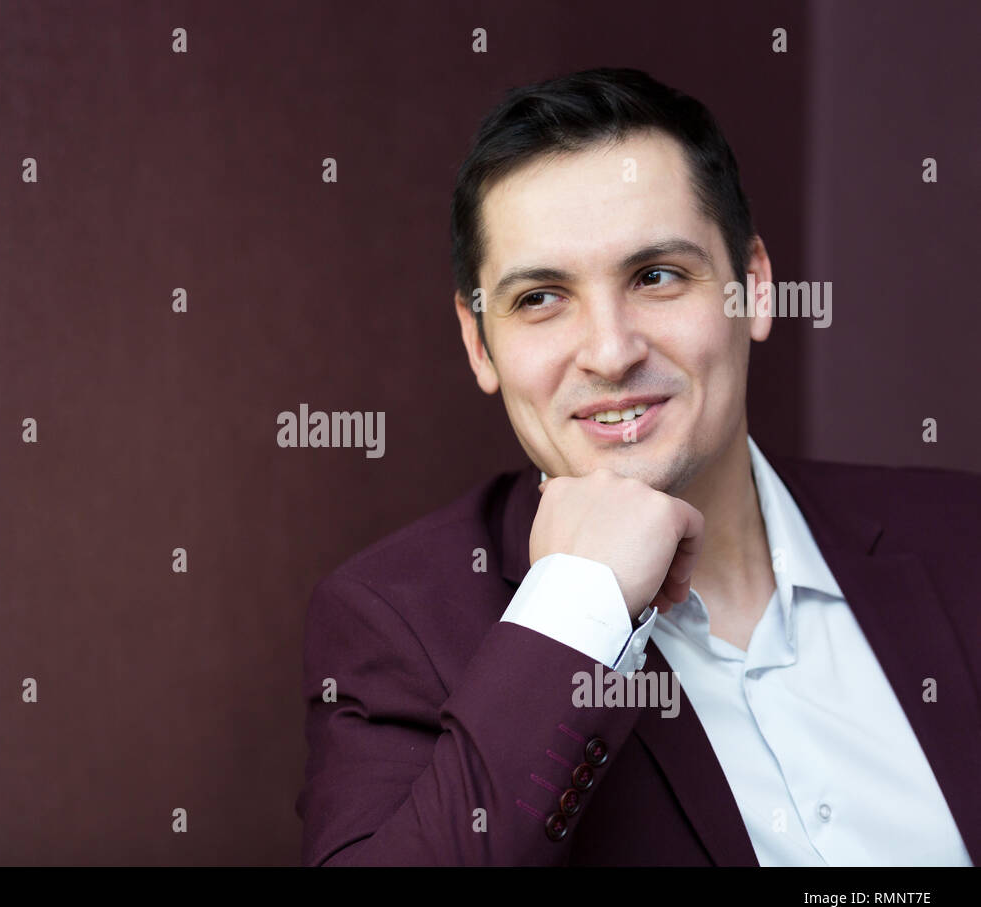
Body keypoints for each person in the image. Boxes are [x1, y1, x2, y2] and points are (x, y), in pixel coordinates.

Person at [295, 67, 980, 866]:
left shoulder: (961, 535)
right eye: (541, 297)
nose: (612, 352)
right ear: (480, 343)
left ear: (754, 290)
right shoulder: (396, 625)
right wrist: (576, 613)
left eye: (656, 277)